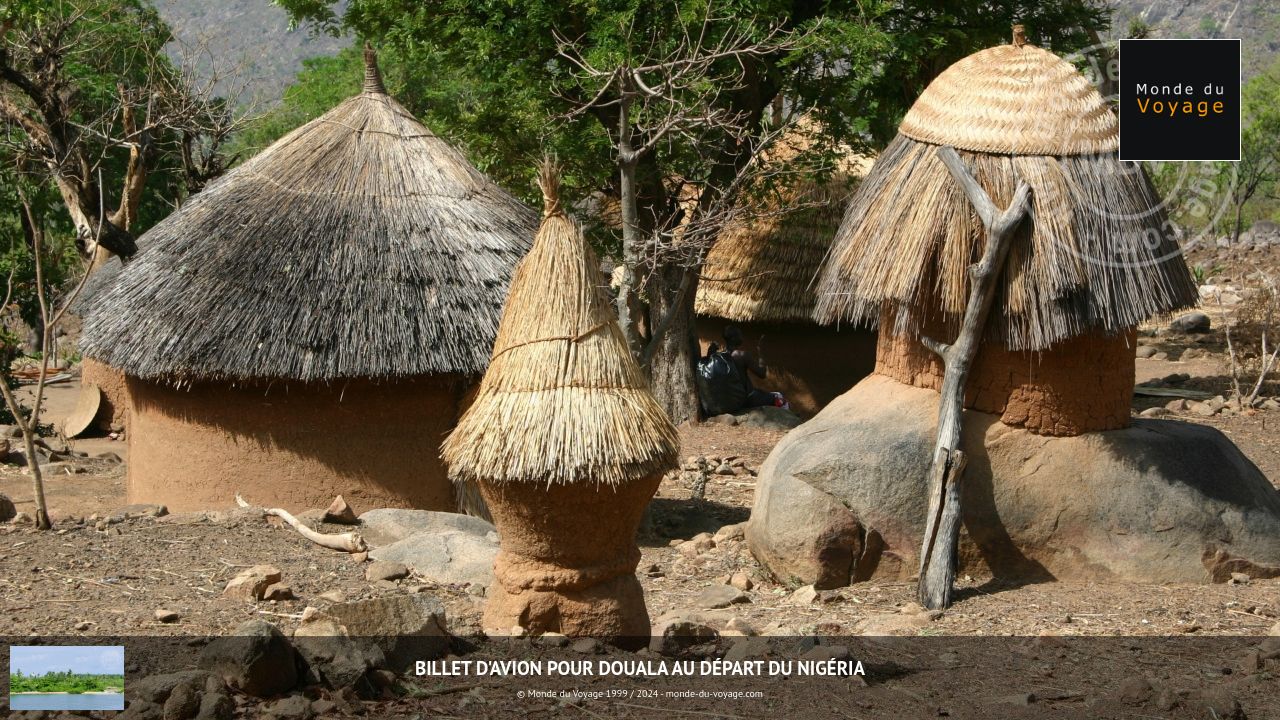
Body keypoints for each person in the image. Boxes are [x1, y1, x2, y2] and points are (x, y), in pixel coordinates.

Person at [721, 325, 787, 410]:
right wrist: (761, 353)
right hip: (747, 399)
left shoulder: (721, 355)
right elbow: (762, 374)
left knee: (761, 392)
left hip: (732, 399)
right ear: (733, 338)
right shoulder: (742, 355)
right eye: (739, 335)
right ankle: (791, 422)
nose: (742, 337)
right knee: (779, 397)